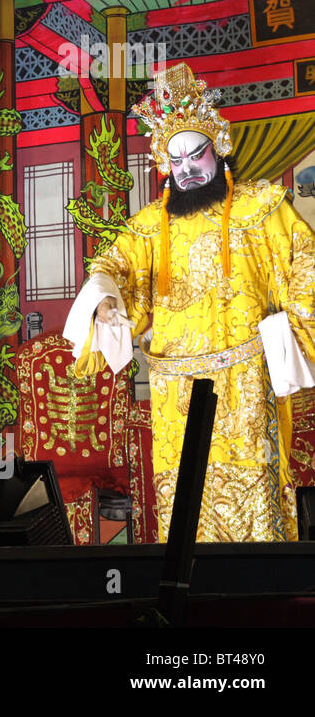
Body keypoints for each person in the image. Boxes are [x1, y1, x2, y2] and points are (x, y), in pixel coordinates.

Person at [64, 62, 315, 542]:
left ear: (217, 150)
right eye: (175, 162)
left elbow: (304, 262)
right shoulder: (149, 225)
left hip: (244, 382)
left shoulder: (258, 208)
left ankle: (262, 604)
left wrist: (289, 327)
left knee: (253, 496)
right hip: (174, 393)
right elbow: (114, 266)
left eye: (195, 155)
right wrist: (105, 300)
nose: (186, 171)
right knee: (184, 498)